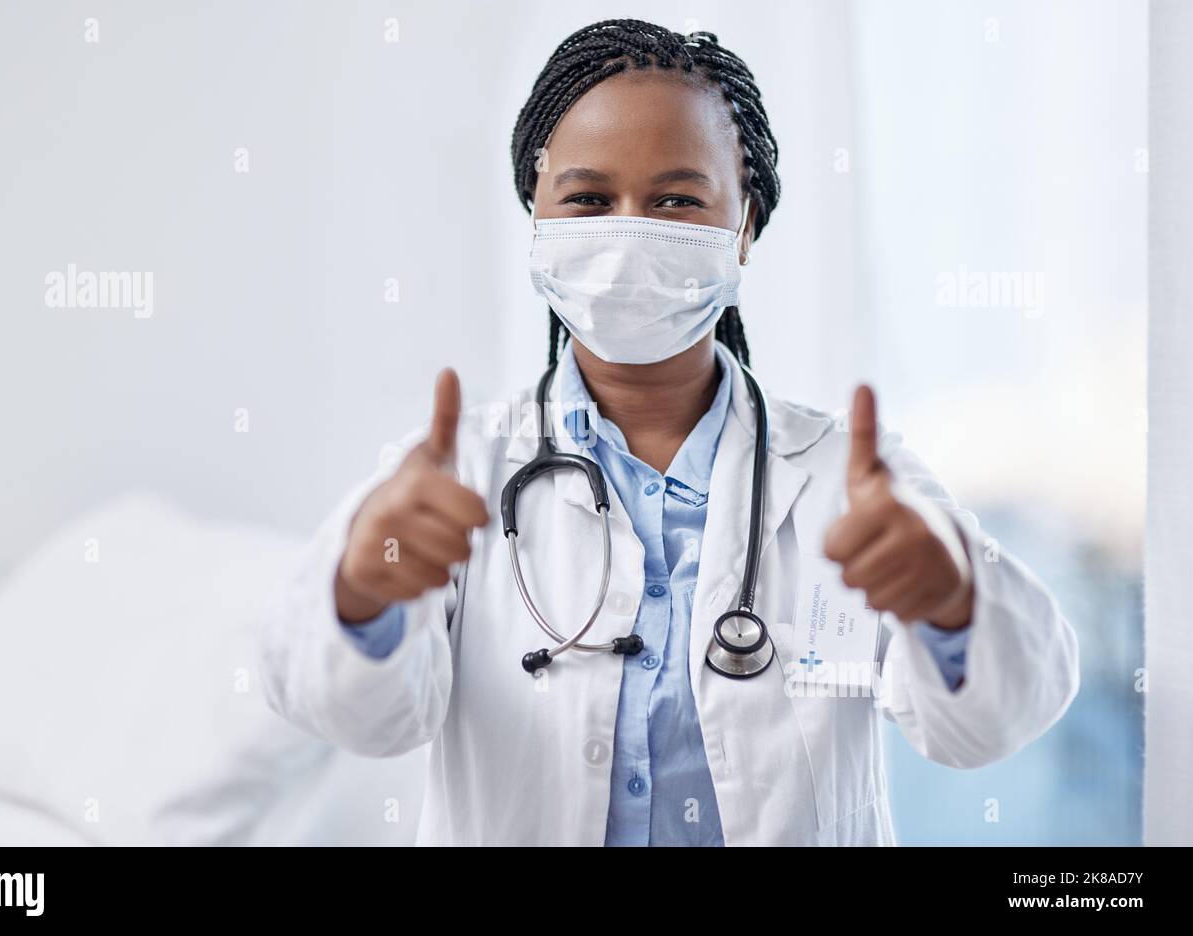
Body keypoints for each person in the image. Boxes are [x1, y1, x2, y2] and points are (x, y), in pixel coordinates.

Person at [260, 19, 1079, 846]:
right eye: (587, 199)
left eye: (677, 200)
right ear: (537, 221)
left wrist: (952, 605)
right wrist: (363, 594)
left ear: (745, 225)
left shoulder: (847, 478)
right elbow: (354, 717)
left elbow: (992, 724)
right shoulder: (456, 474)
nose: (628, 232)